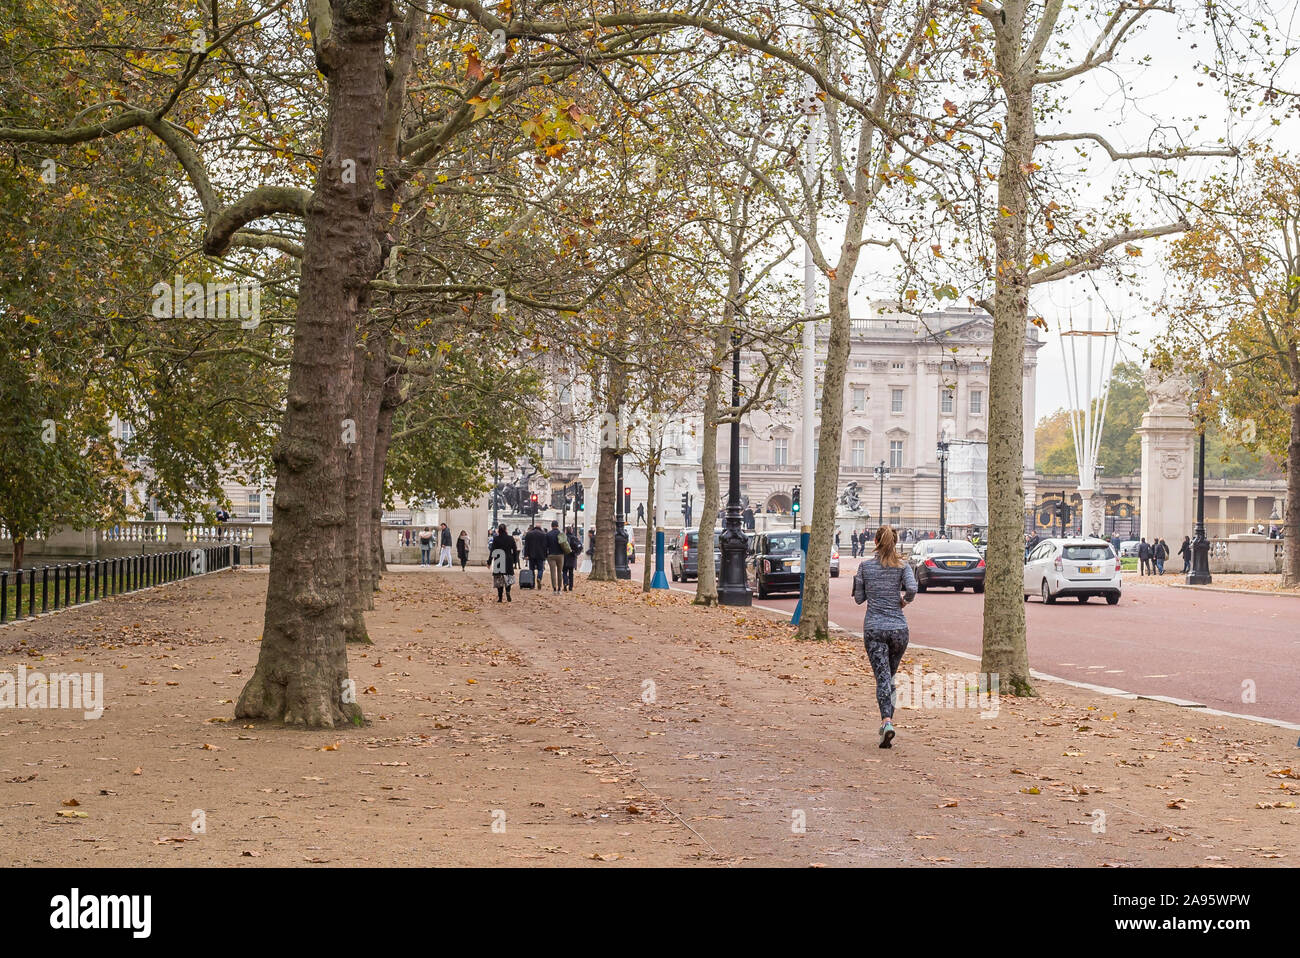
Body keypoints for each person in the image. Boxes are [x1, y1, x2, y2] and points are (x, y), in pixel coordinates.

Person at [852, 525, 917, 749]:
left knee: (882, 678)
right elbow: (912, 588)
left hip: (875, 629)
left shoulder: (865, 567)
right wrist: (902, 602)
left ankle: (886, 722)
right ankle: (887, 723)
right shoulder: (903, 566)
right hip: (899, 629)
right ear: (895, 543)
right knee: (890, 677)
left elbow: (859, 599)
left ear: (875, 542)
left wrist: (865, 586)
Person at [489, 523, 519, 602]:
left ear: (499, 530)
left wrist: (489, 561)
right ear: (506, 530)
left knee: (499, 579)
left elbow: (492, 550)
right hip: (508, 559)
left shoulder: (496, 539)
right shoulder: (510, 538)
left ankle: (500, 597)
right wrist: (515, 560)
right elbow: (515, 550)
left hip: (499, 559)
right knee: (508, 577)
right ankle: (508, 591)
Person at [523, 524, 548, 592]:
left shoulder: (529, 534)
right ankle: (539, 578)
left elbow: (526, 545)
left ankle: (532, 584)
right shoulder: (543, 534)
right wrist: (546, 555)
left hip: (531, 555)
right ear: (540, 528)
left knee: (531, 570)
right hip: (540, 555)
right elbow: (545, 546)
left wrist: (526, 554)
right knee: (540, 569)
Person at [545, 520, 566, 592]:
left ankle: (554, 588)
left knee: (553, 572)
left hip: (551, 555)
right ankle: (559, 588)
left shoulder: (548, 534)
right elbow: (565, 545)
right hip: (560, 555)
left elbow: (546, 546)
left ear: (551, 526)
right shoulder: (561, 534)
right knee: (560, 572)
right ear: (557, 526)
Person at [562, 525, 581, 591]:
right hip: (572, 557)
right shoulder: (574, 538)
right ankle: (570, 586)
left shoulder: (563, 538)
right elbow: (579, 547)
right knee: (571, 572)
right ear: (572, 530)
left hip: (564, 557)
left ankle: (565, 582)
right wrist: (575, 553)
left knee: (564, 571)